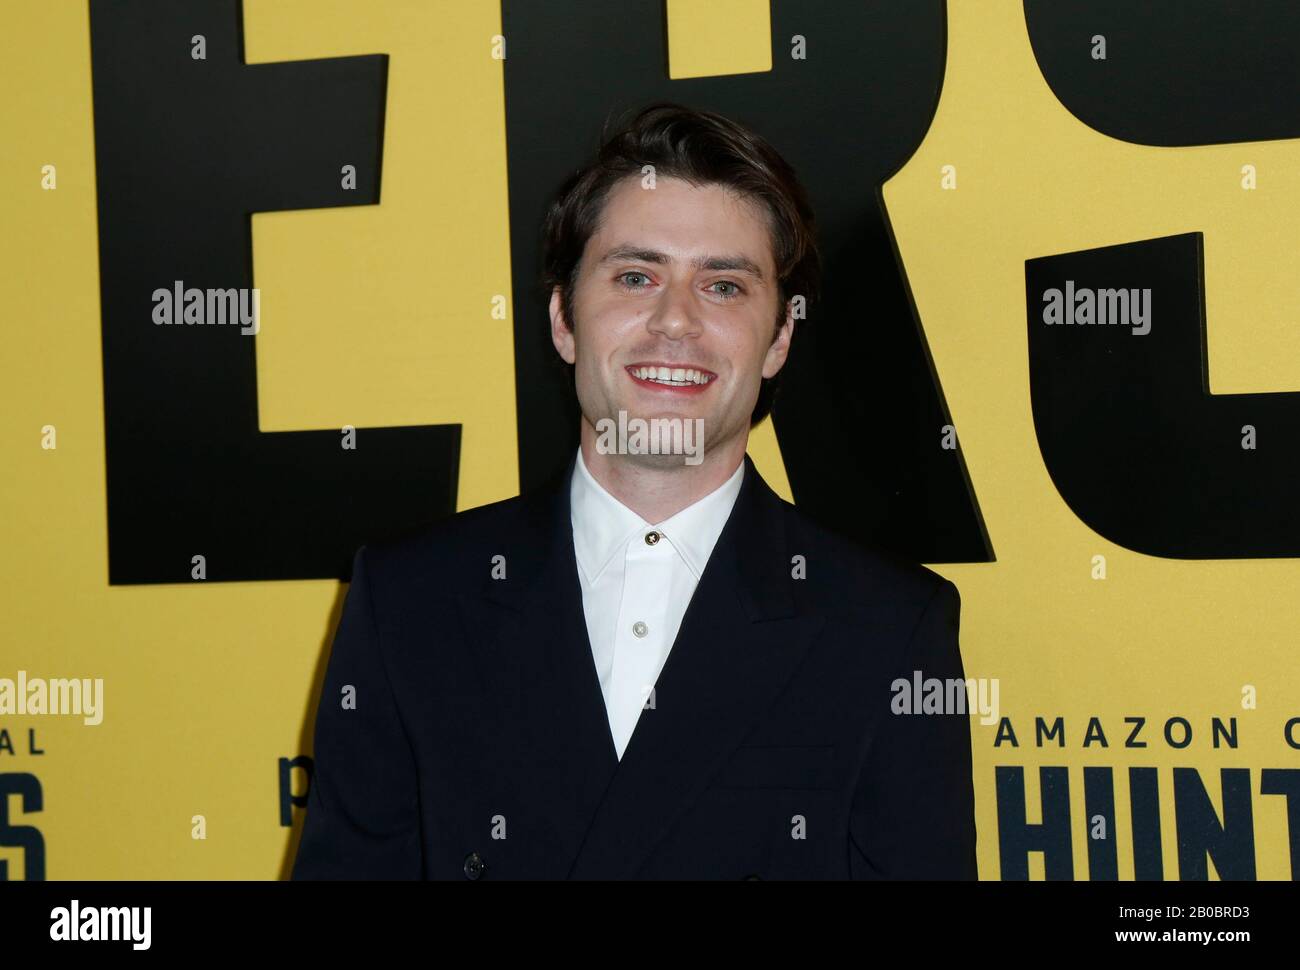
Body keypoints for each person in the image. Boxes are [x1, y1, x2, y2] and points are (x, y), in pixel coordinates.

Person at [292, 102, 977, 880]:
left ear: (780, 337)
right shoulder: (408, 600)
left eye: (723, 287)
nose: (675, 320)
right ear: (562, 317)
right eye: (635, 276)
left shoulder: (888, 629)